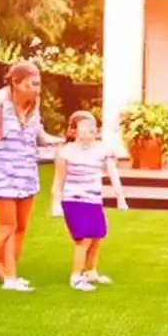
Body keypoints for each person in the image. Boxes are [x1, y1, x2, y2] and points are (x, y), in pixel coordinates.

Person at [0, 61, 63, 292]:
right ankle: (10, 277)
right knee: (7, 226)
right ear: (16, 83)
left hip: (27, 172)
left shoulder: (33, 105)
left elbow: (39, 135)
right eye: (32, 84)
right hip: (3, 174)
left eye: (38, 84)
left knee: (21, 226)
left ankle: (0, 267)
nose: (37, 89)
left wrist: (60, 141)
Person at [51, 110, 128, 291]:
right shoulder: (65, 153)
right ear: (74, 131)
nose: (90, 132)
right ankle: (76, 277)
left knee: (96, 237)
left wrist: (120, 197)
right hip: (73, 200)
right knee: (83, 239)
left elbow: (113, 174)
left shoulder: (103, 151)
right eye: (85, 128)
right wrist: (56, 204)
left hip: (94, 200)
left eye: (93, 128)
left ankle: (91, 271)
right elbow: (58, 182)